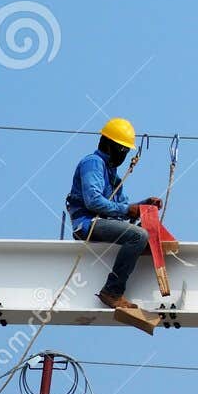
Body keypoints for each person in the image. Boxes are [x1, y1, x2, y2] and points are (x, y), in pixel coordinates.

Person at [65, 117, 162, 311]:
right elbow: (93, 201)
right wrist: (129, 210)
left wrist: (143, 205)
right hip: (87, 224)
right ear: (109, 145)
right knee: (138, 236)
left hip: (102, 223)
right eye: (122, 149)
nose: (124, 155)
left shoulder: (113, 175)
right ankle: (112, 291)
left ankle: (134, 260)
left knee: (144, 235)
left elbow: (122, 208)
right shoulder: (93, 163)